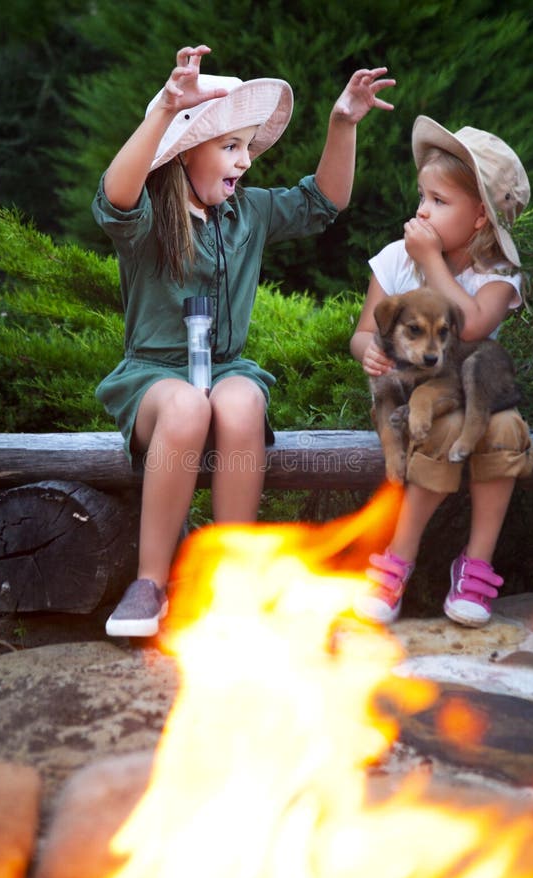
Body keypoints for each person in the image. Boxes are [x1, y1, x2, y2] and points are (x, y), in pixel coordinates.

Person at [93, 44, 395, 637]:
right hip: (155, 377)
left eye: (249, 147)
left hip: (227, 366)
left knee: (240, 402)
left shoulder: (248, 213)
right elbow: (114, 196)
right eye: (230, 147)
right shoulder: (150, 216)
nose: (247, 162)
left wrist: (342, 124)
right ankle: (151, 581)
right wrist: (162, 114)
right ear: (184, 157)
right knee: (186, 405)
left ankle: (233, 578)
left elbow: (323, 202)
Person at [350, 115, 533, 628]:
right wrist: (369, 350)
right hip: (415, 399)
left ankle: (476, 564)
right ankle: (397, 561)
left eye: (439, 201)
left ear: (480, 217)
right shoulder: (395, 261)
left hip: (475, 394)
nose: (422, 210)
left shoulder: (497, 275)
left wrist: (430, 259)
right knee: (439, 424)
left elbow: (472, 327)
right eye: (423, 196)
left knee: (504, 430)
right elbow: (364, 332)